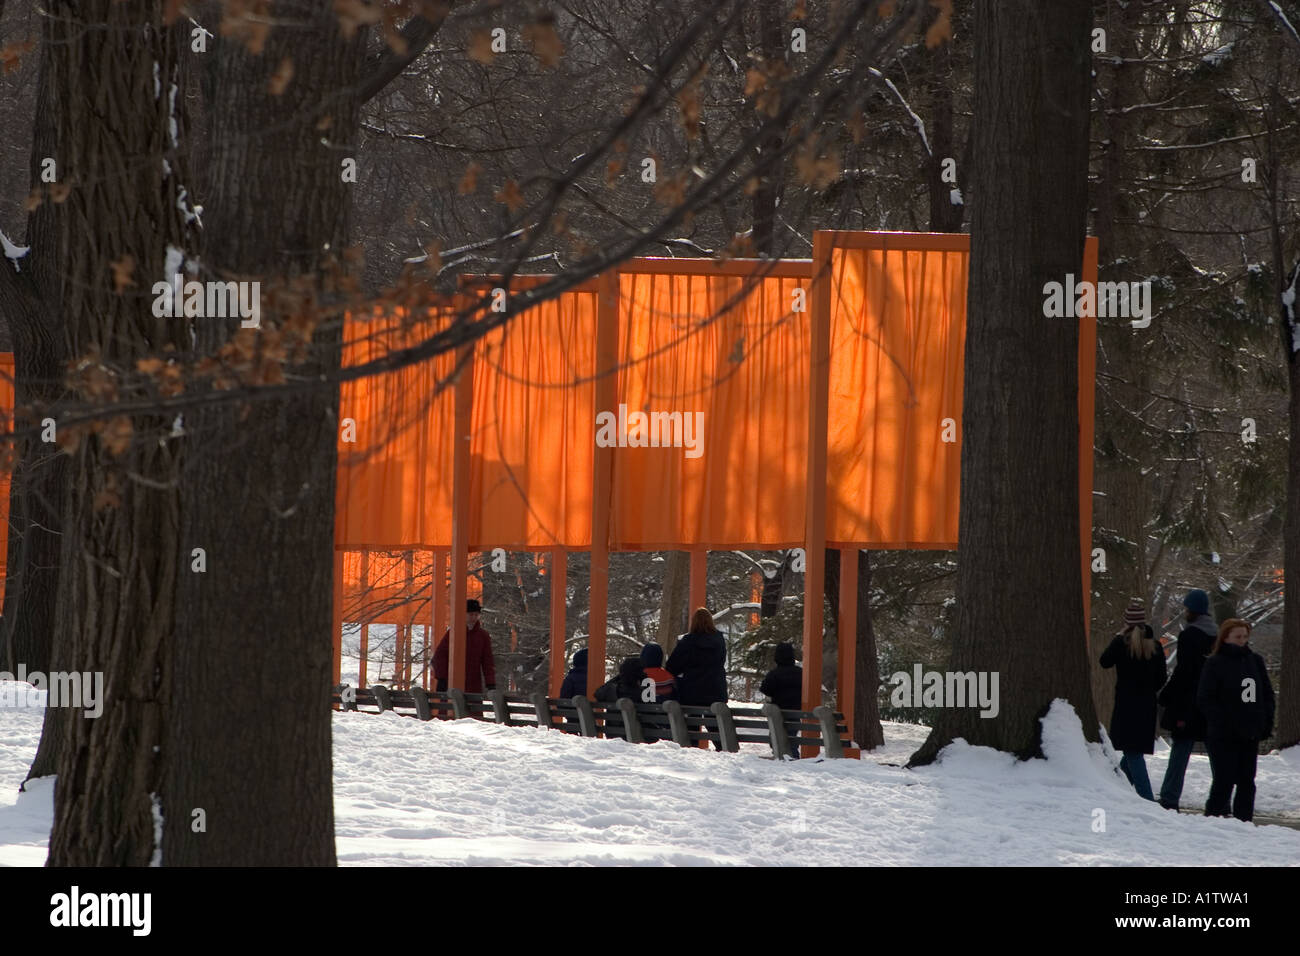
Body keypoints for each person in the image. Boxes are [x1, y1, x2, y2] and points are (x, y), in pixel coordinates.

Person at [1197, 618, 1274, 822]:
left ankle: (1244, 821)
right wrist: (1221, 721)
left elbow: (1266, 694)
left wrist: (1265, 721)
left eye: (1245, 637)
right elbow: (1206, 697)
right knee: (1224, 779)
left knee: (1247, 780)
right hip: (1224, 733)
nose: (1242, 641)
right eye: (1237, 637)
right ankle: (1213, 819)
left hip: (1249, 731)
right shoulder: (1215, 663)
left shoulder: (1254, 661)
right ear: (1226, 638)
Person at [1099, 599, 1167, 801]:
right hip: (1146, 706)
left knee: (1133, 753)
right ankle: (1118, 787)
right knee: (1133, 752)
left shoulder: (1122, 644)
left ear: (1126, 622)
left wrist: (1118, 636)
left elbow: (1104, 662)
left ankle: (1146, 798)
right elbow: (1161, 678)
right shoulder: (1154, 646)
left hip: (1126, 705)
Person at [1156, 588, 1216, 810]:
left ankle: (1170, 797)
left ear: (1192, 610)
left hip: (1187, 704)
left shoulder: (1190, 635)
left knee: (1180, 752)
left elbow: (1183, 671)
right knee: (1215, 754)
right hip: (1210, 704)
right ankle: (1221, 798)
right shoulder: (1216, 635)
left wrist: (1166, 695)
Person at [666, 608, 728, 749]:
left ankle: (691, 749)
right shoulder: (719, 641)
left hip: (692, 693)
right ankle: (723, 747)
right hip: (716, 692)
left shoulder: (688, 642)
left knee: (691, 727)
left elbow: (672, 667)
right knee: (716, 726)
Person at [431, 599, 496, 695]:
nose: (474, 617)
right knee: (457, 707)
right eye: (471, 614)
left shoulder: (483, 636)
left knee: (465, 707)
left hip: (473, 682)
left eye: (476, 615)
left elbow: (488, 661)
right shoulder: (453, 633)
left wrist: (490, 683)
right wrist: (442, 678)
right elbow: (440, 656)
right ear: (464, 615)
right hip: (453, 681)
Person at [760, 642, 803, 758]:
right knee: (791, 739)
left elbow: (764, 689)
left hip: (777, 713)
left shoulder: (774, 674)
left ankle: (781, 756)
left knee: (775, 737)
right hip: (795, 712)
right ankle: (793, 757)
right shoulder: (801, 673)